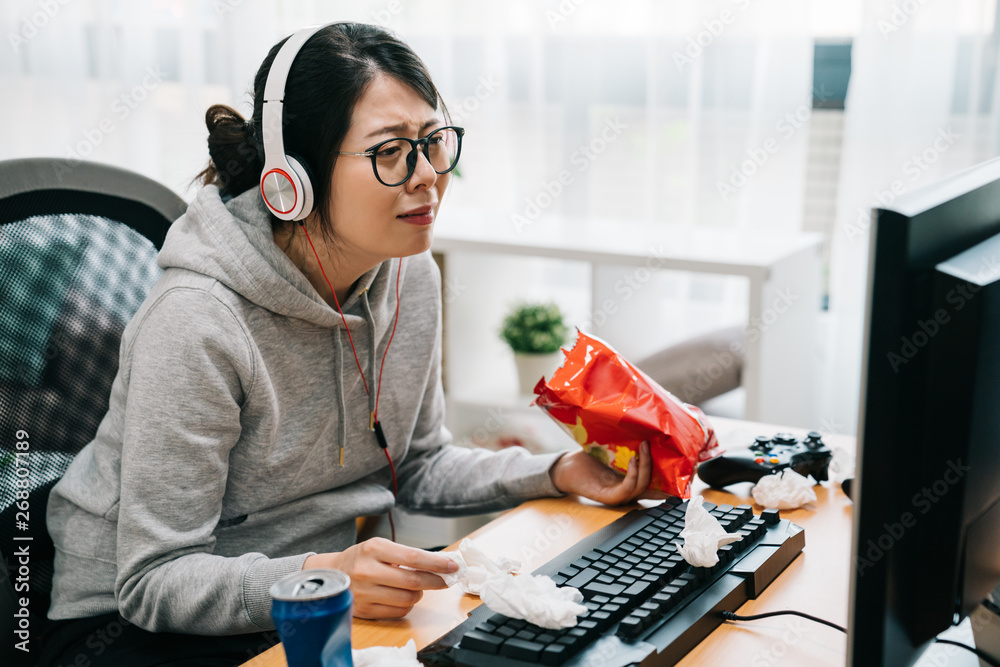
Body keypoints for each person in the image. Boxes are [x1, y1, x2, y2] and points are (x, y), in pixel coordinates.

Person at [38, 22, 662, 667]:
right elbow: (153, 581)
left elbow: (416, 466)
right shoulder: (197, 321)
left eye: (433, 143)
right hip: (130, 630)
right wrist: (325, 573)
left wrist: (557, 472)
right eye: (390, 150)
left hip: (309, 599)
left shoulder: (408, 272)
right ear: (291, 179)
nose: (428, 178)